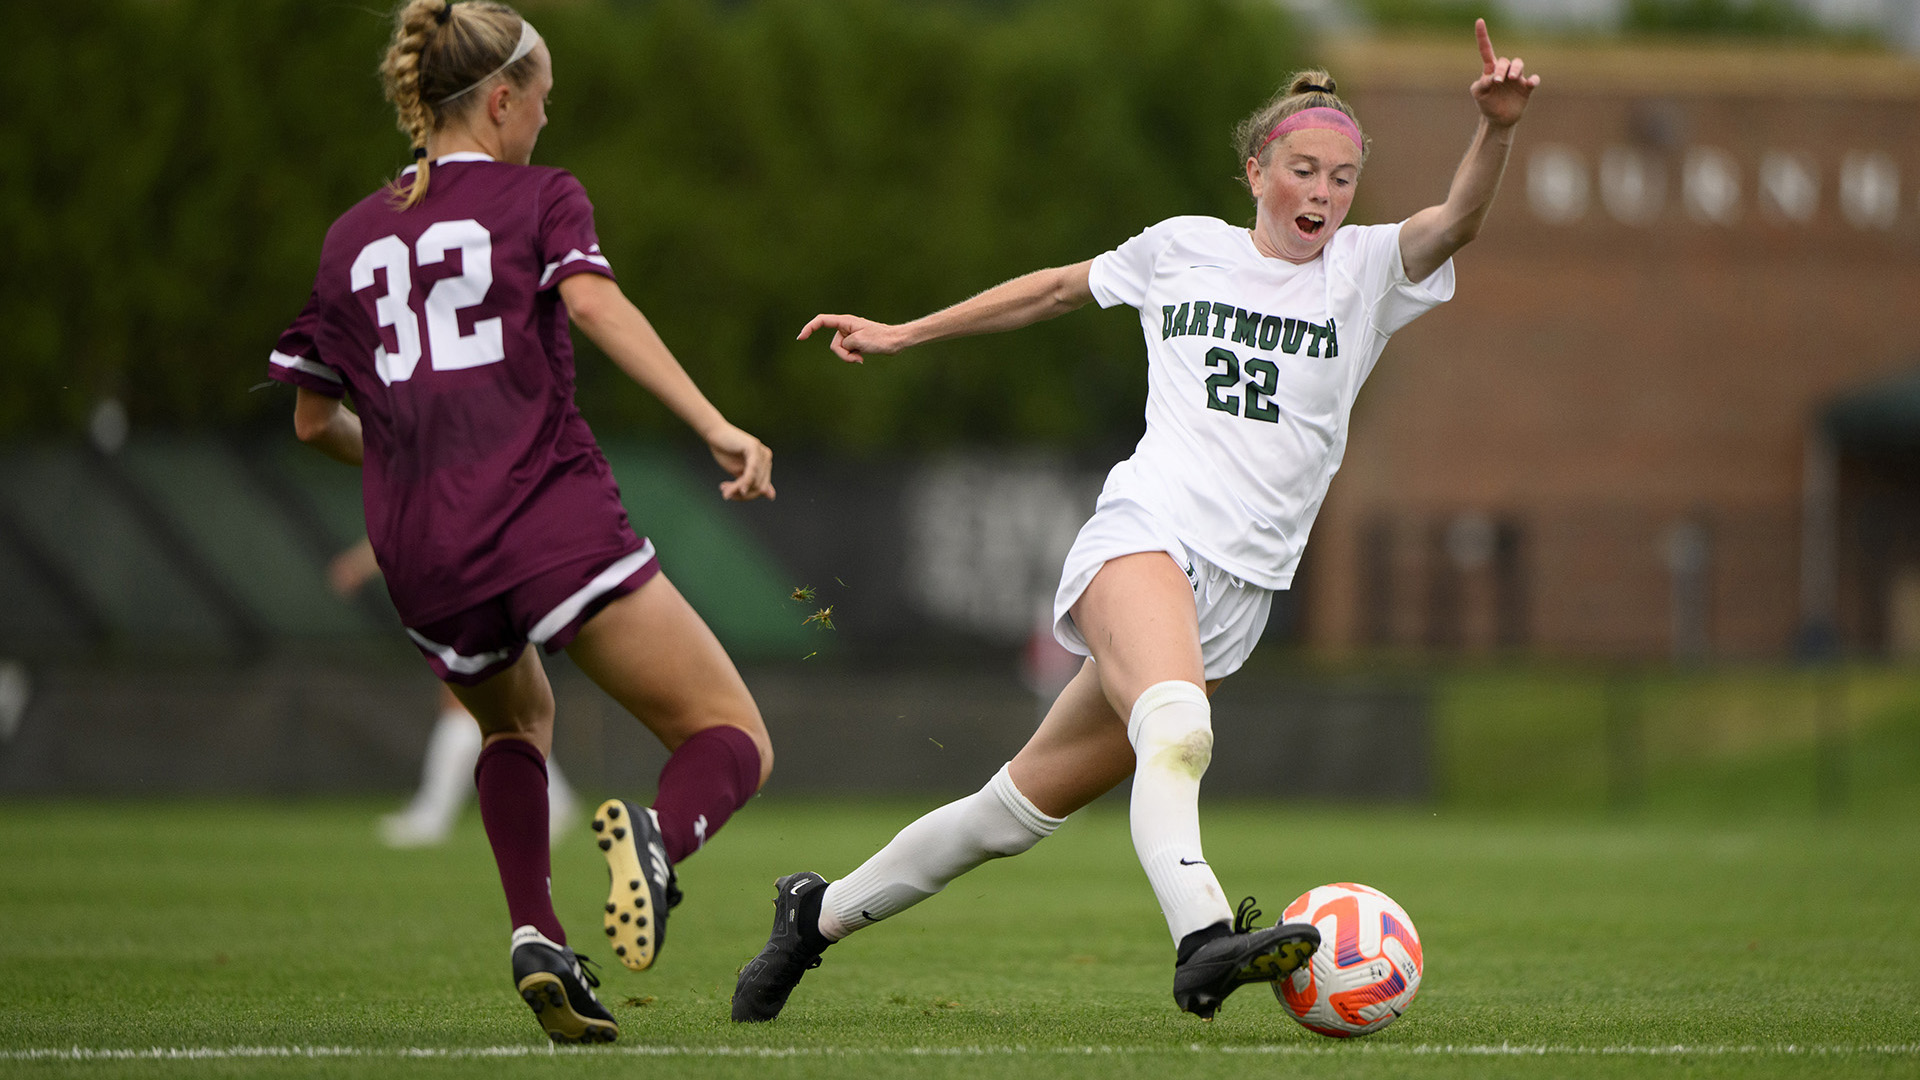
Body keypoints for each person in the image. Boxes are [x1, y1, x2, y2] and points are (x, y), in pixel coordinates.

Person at [735, 20, 1538, 1024]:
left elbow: (1456, 220)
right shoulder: (1181, 249)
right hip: (1147, 535)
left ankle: (812, 918)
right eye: (1302, 171)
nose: (1323, 194)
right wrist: (907, 331)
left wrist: (1496, 128)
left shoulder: (1364, 271)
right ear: (1256, 173)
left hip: (1241, 591)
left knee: (1009, 815)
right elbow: (1055, 290)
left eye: (1341, 178)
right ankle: (1203, 938)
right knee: (1181, 730)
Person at [268, 0, 777, 1044]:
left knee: (512, 723)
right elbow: (592, 305)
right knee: (730, 735)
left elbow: (313, 420)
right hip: (542, 514)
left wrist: (410, 451)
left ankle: (537, 937)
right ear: (500, 99)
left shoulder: (350, 237)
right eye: (542, 99)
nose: (547, 119)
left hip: (421, 546)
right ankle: (659, 839)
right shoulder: (540, 196)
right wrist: (715, 424)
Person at [326, 538, 580, 849]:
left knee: (469, 700)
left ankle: (434, 814)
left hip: (480, 581)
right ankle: (553, 801)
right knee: (493, 704)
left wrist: (359, 563)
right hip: (481, 580)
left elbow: (413, 526)